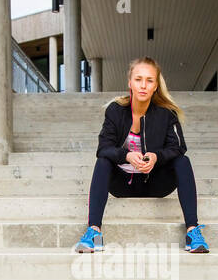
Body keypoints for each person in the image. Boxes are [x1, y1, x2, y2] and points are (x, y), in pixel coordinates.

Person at [73, 56, 208, 254]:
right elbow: (103, 147)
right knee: (103, 162)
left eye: (149, 80)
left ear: (155, 86)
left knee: (182, 161)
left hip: (155, 182)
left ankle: (192, 231)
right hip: (122, 183)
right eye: (138, 79)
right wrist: (126, 156)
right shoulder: (115, 111)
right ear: (130, 82)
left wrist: (156, 157)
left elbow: (178, 147)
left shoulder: (166, 114)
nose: (143, 85)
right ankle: (94, 231)